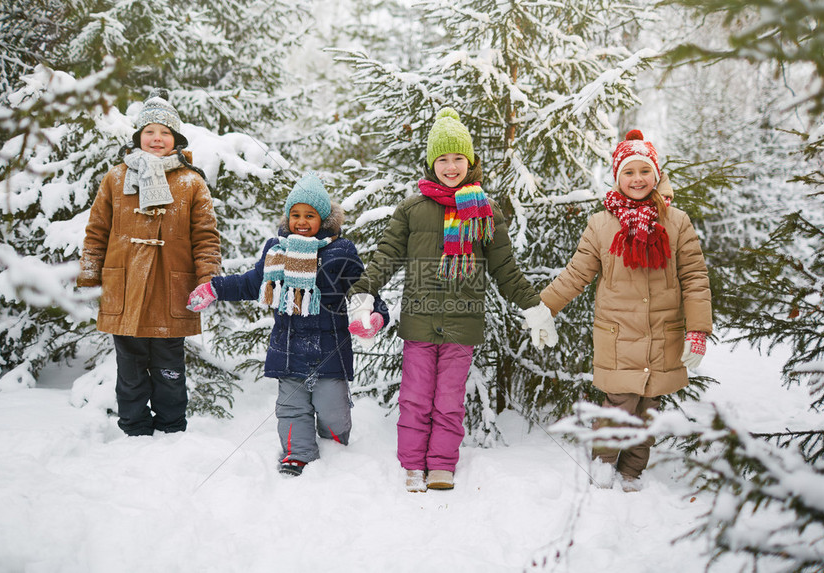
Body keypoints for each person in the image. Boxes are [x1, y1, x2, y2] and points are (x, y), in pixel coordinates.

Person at [346, 107, 557, 492]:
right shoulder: (412, 209)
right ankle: (412, 464)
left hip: (462, 324)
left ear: (471, 160)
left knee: (448, 400)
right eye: (442, 158)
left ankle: (442, 464)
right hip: (420, 322)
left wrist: (533, 306)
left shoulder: (485, 212)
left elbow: (505, 269)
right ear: (431, 163)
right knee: (414, 397)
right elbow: (387, 256)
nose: (451, 165)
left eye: (458, 157)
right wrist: (363, 290)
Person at [538, 130, 712, 491]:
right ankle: (604, 464)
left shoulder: (676, 222)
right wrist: (544, 308)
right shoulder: (602, 225)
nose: (637, 179)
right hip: (617, 337)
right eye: (628, 173)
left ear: (656, 175)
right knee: (619, 406)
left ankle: (632, 470)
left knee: (648, 408)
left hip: (662, 334)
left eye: (644, 171)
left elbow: (695, 277)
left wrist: (697, 330)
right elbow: (576, 274)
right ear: (618, 178)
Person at [186, 173, 389, 477]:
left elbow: (365, 290)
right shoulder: (276, 250)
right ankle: (298, 453)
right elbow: (250, 283)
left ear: (324, 219)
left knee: (332, 411)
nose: (301, 221)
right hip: (289, 348)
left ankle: (337, 449)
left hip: (329, 350)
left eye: (310, 215)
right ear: (288, 216)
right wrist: (215, 288)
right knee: (292, 408)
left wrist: (376, 316)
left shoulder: (341, 252)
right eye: (295, 214)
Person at [77, 88, 221, 437]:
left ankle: (172, 430)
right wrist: (89, 272)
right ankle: (134, 429)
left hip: (172, 288)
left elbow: (206, 237)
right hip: (125, 287)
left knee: (170, 367)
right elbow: (97, 230)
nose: (157, 139)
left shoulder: (191, 181)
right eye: (150, 132)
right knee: (129, 368)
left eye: (165, 132)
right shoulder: (115, 177)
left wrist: (208, 279)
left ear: (176, 139)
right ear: (138, 137)